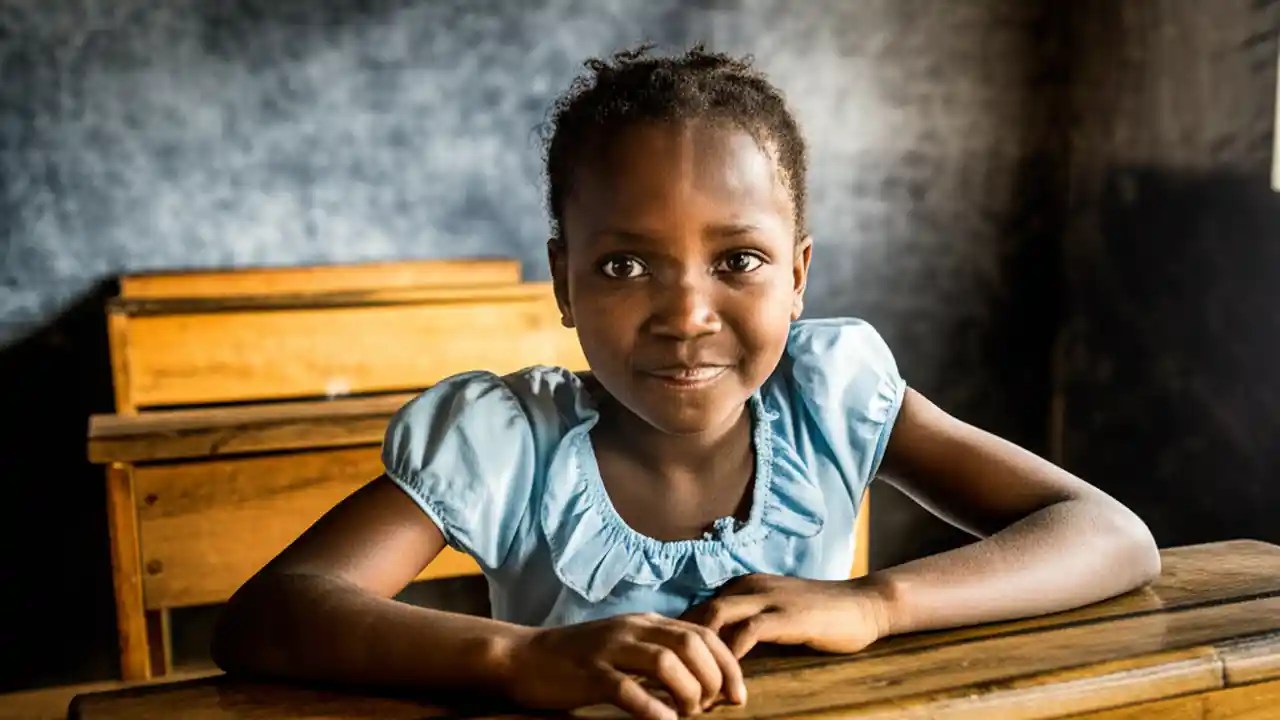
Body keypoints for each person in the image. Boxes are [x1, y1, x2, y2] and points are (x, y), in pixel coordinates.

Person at [213, 46, 1160, 720]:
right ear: (563, 281)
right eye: (627, 267)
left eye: (738, 259)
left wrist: (877, 603)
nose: (686, 315)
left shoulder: (826, 398)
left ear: (797, 275)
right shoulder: (510, 445)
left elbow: (1111, 537)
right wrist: (522, 659)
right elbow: (275, 612)